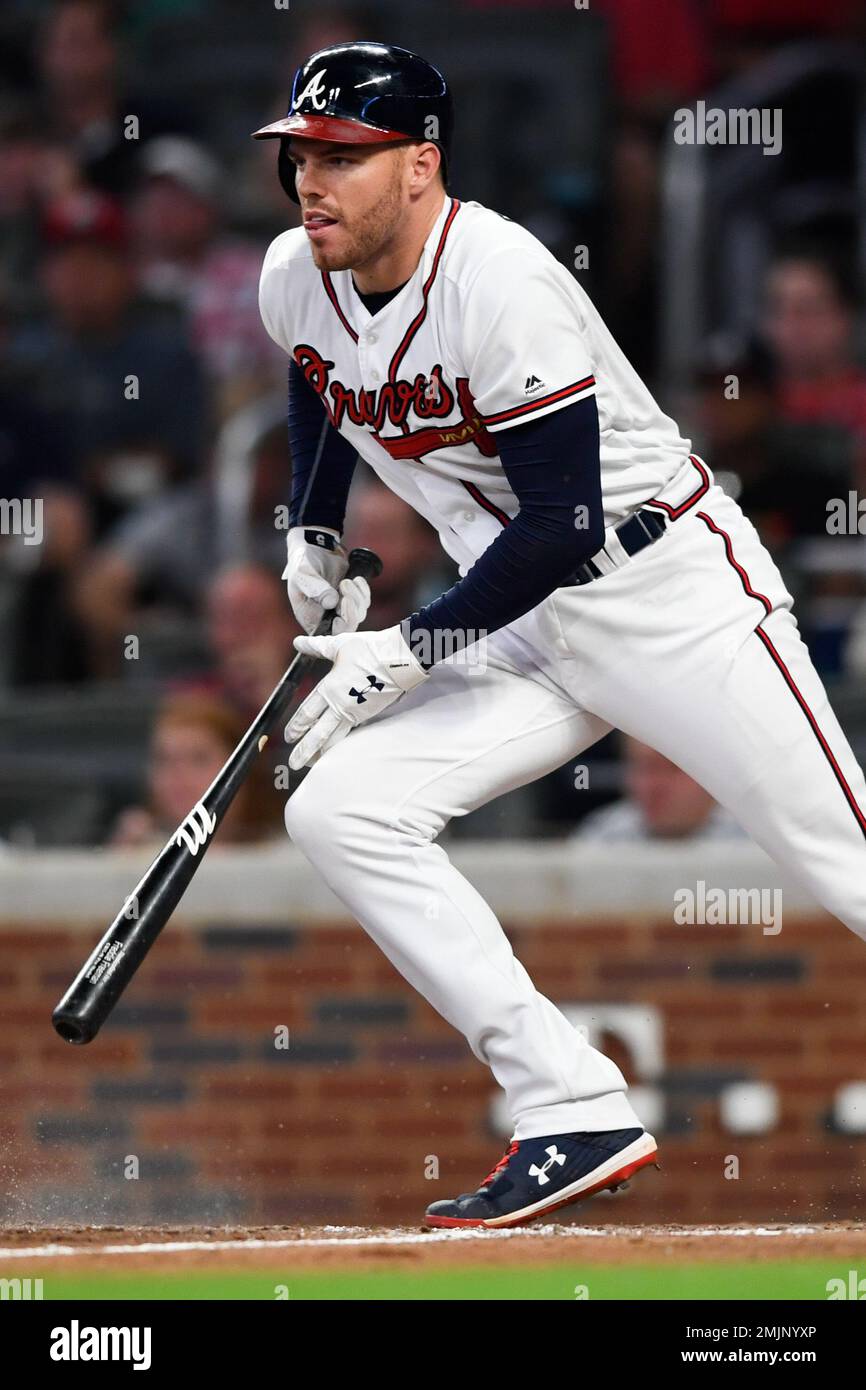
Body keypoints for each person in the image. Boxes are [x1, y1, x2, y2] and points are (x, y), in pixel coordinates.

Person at [255, 42, 866, 1230]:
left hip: (661, 590)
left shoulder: (498, 278)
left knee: (841, 855)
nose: (310, 179)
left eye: (343, 155)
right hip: (521, 608)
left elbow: (562, 519)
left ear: (420, 165)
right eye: (298, 155)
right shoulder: (299, 267)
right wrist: (316, 531)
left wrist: (411, 646)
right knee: (341, 810)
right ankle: (568, 1105)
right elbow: (321, 373)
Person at [574, 737, 746, 841]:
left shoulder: (757, 837)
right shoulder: (601, 838)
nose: (652, 786)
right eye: (643, 767)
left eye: (673, 768)